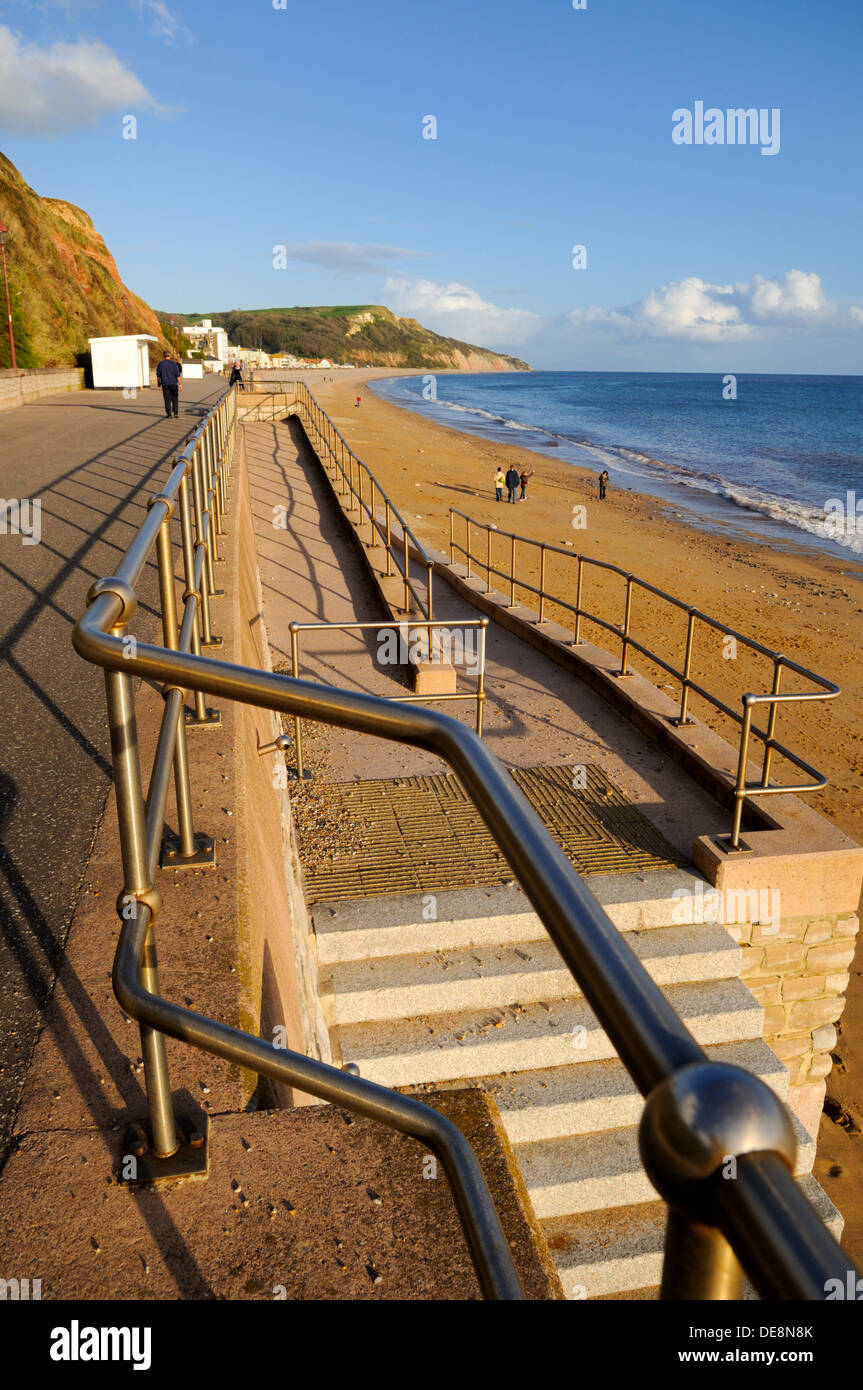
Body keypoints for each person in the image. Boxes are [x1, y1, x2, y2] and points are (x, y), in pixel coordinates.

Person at [156, 351, 182, 418]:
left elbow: (158, 375)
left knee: (167, 399)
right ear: (169, 356)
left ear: (163, 356)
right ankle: (176, 413)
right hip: (174, 384)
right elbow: (177, 375)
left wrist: (158, 382)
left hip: (165, 384)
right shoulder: (174, 364)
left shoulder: (160, 364)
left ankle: (169, 414)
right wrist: (180, 384)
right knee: (175, 398)